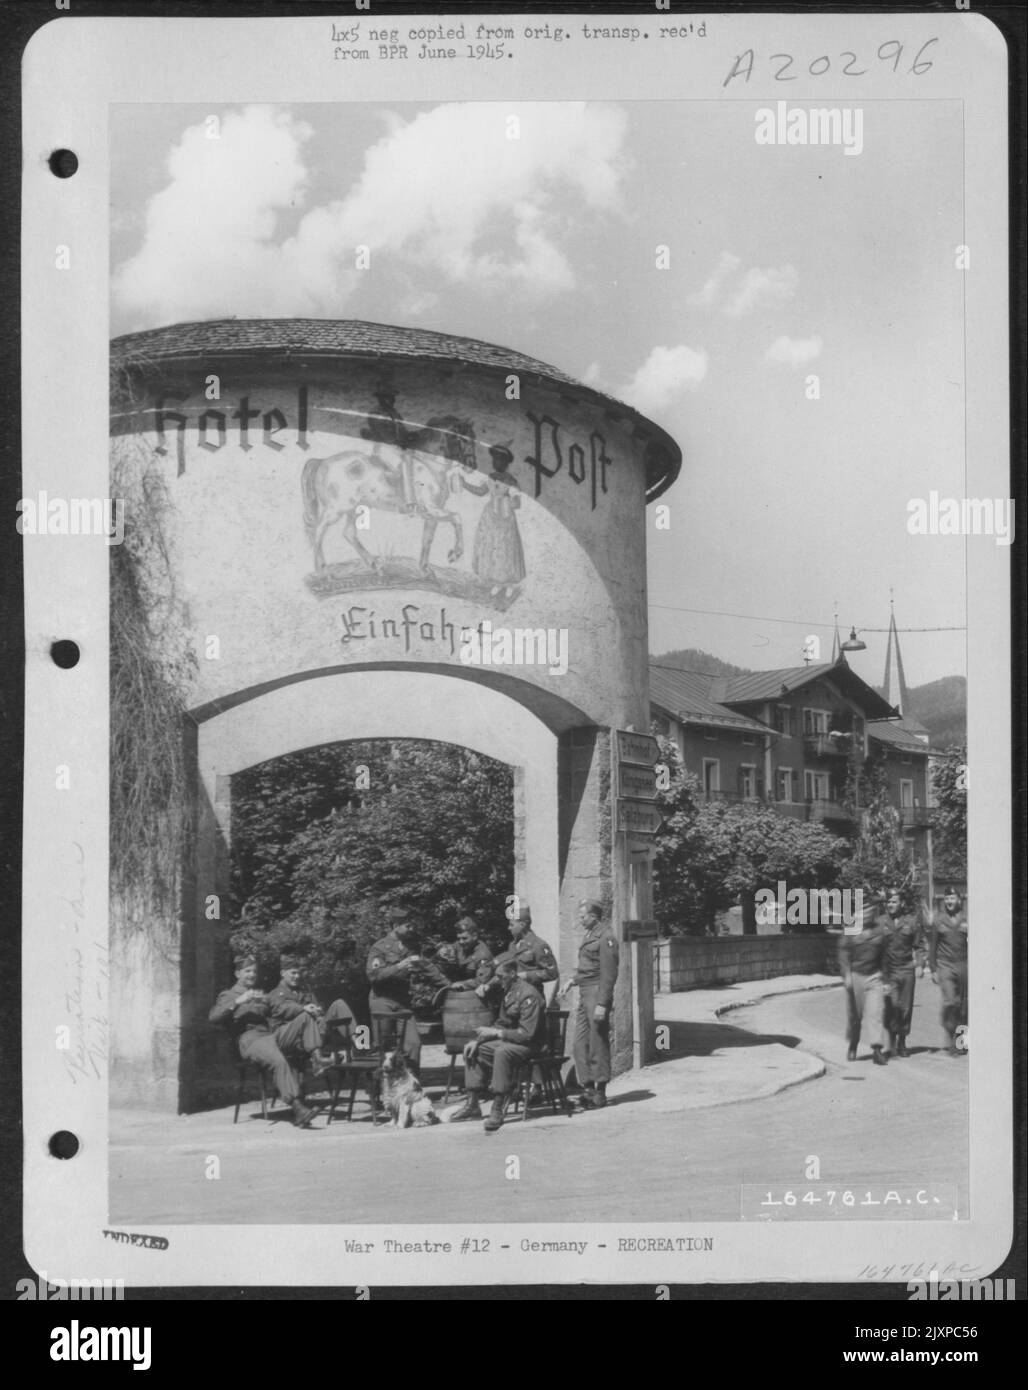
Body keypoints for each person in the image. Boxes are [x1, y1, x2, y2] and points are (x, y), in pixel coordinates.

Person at [209, 956, 318, 1127]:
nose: (252, 974)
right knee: (279, 1061)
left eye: (254, 971)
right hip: (250, 1040)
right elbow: (214, 1017)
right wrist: (239, 1001)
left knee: (305, 1017)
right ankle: (297, 1108)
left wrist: (303, 1007)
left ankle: (317, 1057)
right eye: (248, 971)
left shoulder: (260, 994)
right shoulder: (229, 995)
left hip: (270, 1037)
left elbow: (280, 1007)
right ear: (238, 973)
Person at [449, 958, 544, 1131]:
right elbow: (502, 1023)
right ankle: (473, 1104)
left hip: (531, 1046)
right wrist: (477, 1040)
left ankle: (498, 1107)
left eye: (501, 977)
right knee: (475, 1050)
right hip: (512, 1040)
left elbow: (527, 1034)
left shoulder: (528, 995)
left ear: (513, 974)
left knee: (502, 1052)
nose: (498, 981)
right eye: (497, 977)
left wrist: (497, 1034)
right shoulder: (509, 992)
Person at [559, 899, 619, 1109]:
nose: (580, 920)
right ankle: (588, 1088)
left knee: (597, 1042)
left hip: (596, 993)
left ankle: (600, 1090)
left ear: (593, 916)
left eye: (583, 916)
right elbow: (587, 968)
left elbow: (609, 974)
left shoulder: (606, 937)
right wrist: (572, 980)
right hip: (585, 992)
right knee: (579, 1043)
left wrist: (603, 1003)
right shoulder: (589, 935)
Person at [366, 907, 424, 1071]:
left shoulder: (412, 945)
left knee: (414, 1044)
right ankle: (380, 1089)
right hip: (382, 1000)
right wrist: (399, 966)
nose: (411, 929)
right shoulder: (379, 948)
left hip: (403, 1001)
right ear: (395, 925)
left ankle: (412, 1086)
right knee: (382, 1046)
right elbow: (373, 976)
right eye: (407, 925)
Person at [266, 956, 357, 1059]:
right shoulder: (275, 993)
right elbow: (282, 1008)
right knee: (305, 1015)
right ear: (283, 973)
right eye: (293, 973)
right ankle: (317, 1060)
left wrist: (318, 1011)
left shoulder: (304, 991)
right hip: (294, 1037)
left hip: (315, 1033)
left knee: (339, 1004)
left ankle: (360, 1044)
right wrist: (304, 1008)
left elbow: (317, 1007)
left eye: (298, 973)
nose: (297, 976)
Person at [837, 898, 889, 1066]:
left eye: (870, 911)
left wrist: (886, 979)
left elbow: (884, 956)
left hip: (874, 977)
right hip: (856, 976)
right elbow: (844, 953)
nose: (867, 914)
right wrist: (846, 975)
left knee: (875, 1014)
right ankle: (853, 1044)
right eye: (864, 910)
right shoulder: (850, 930)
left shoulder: (879, 931)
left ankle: (877, 1049)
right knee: (855, 1017)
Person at [879, 889, 925, 1058]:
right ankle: (890, 1044)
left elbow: (919, 946)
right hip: (888, 971)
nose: (891, 905)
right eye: (889, 902)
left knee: (905, 1008)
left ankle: (902, 1041)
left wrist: (920, 964)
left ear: (902, 903)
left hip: (906, 970)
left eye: (894, 901)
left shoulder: (911, 922)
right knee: (891, 1006)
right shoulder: (880, 922)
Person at [928, 889, 968, 1056]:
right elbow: (933, 947)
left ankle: (961, 1042)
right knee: (951, 1001)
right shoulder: (939, 921)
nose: (949, 901)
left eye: (952, 897)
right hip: (945, 964)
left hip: (964, 964)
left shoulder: (968, 919)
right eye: (947, 898)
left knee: (964, 1005)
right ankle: (952, 1035)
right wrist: (933, 969)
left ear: (959, 900)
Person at [493, 902, 558, 997]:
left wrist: (526, 975)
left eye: (512, 925)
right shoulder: (513, 945)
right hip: (513, 996)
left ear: (522, 925)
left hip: (531, 996)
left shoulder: (538, 945)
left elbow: (552, 973)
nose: (509, 928)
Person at [442, 916, 494, 988]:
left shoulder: (482, 955)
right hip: (457, 984)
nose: (461, 942)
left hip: (475, 992)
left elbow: (482, 980)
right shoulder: (462, 945)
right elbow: (450, 949)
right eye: (459, 938)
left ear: (474, 936)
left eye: (464, 938)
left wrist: (461, 984)